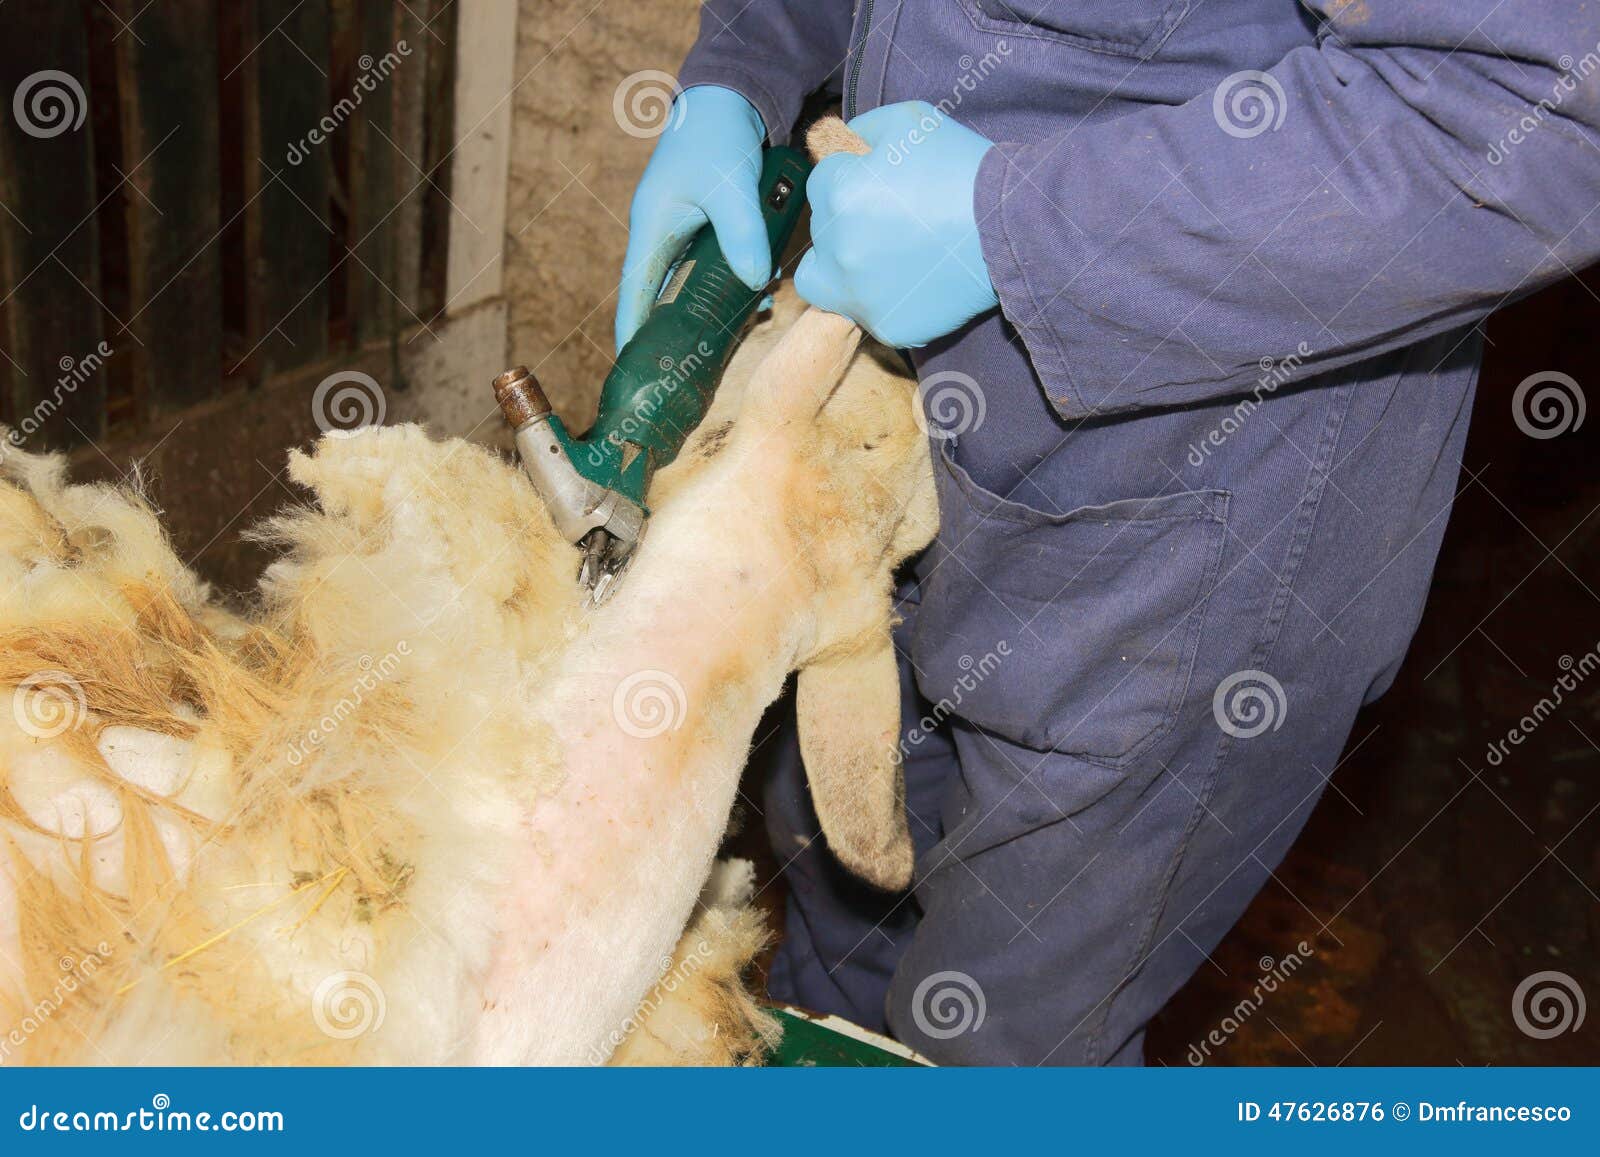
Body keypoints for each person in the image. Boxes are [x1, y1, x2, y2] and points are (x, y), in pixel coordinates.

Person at [615, 0, 1600, 1064]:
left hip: (1180, 525)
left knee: (1004, 1039)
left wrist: (1018, 229)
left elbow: (1538, 103)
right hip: (897, 438)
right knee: (839, 931)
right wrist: (746, 63)